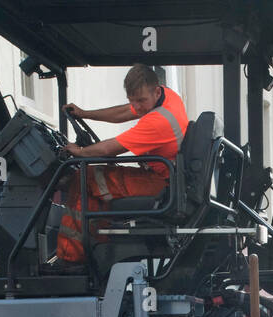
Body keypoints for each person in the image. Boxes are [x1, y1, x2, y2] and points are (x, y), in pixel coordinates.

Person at [56, 64, 189, 262]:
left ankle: (70, 257)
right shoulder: (167, 97)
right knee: (94, 179)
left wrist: (80, 152)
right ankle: (96, 251)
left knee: (84, 179)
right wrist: (85, 114)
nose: (137, 107)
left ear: (156, 91)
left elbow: (110, 149)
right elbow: (126, 112)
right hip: (167, 177)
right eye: (132, 100)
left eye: (141, 100)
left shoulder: (158, 121)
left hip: (162, 184)